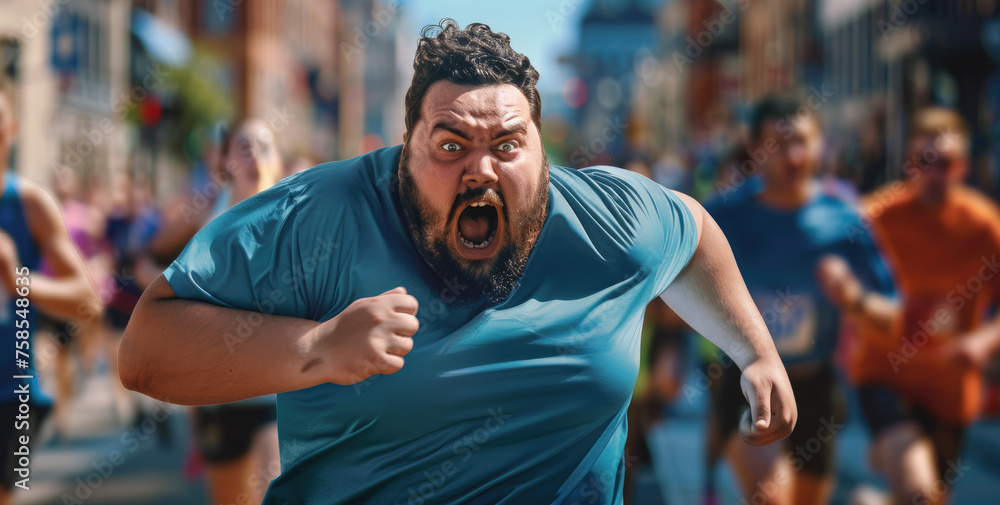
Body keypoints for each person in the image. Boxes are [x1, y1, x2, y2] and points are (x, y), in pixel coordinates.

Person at [119, 21, 797, 504]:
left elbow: (695, 231)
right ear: (405, 150)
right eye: (450, 146)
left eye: (507, 144)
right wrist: (315, 348)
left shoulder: (607, 218)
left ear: (541, 149)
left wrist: (755, 350)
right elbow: (145, 347)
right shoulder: (321, 214)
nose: (481, 170)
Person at [703, 97, 897, 505]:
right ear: (756, 149)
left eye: (803, 142)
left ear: (820, 145)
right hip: (747, 380)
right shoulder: (722, 217)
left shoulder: (844, 221)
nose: (793, 156)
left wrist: (855, 299)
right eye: (779, 143)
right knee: (773, 497)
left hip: (816, 387)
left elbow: (892, 317)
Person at [851, 107, 1000, 505]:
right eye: (924, 161)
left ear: (963, 167)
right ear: (910, 165)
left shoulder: (984, 226)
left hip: (950, 391)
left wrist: (984, 341)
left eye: (945, 163)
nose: (934, 174)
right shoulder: (879, 216)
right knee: (919, 491)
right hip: (886, 378)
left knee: (928, 498)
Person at [0, 82, 101, 505]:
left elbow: (87, 300)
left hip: (13, 395)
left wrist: (16, 280)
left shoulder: (29, 205)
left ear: (13, 128)